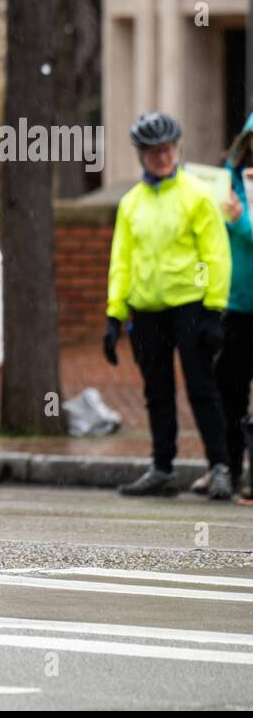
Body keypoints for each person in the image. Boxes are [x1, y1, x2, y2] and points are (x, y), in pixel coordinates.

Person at [105, 111, 232, 498]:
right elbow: (121, 261)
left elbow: (215, 254)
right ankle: (162, 469)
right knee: (156, 391)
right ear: (141, 156)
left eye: (166, 150)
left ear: (176, 150)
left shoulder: (196, 195)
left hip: (190, 306)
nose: (161, 157)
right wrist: (115, 315)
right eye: (153, 152)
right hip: (146, 310)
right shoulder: (130, 204)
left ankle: (220, 466)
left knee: (201, 388)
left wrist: (213, 309)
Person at [215, 113, 253, 502]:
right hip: (235, 304)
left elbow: (243, 230)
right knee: (231, 392)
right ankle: (229, 467)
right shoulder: (227, 183)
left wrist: (241, 225)